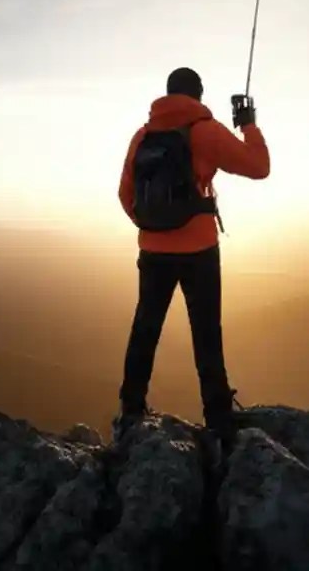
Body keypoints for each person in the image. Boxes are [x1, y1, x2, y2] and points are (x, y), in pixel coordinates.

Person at [115, 66, 270, 448]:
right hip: (199, 251)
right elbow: (259, 167)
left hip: (153, 251)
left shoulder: (143, 136)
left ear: (168, 94)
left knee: (145, 327)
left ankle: (131, 410)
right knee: (206, 332)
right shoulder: (204, 131)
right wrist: (248, 124)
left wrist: (153, 226)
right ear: (198, 95)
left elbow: (125, 194)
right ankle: (218, 418)